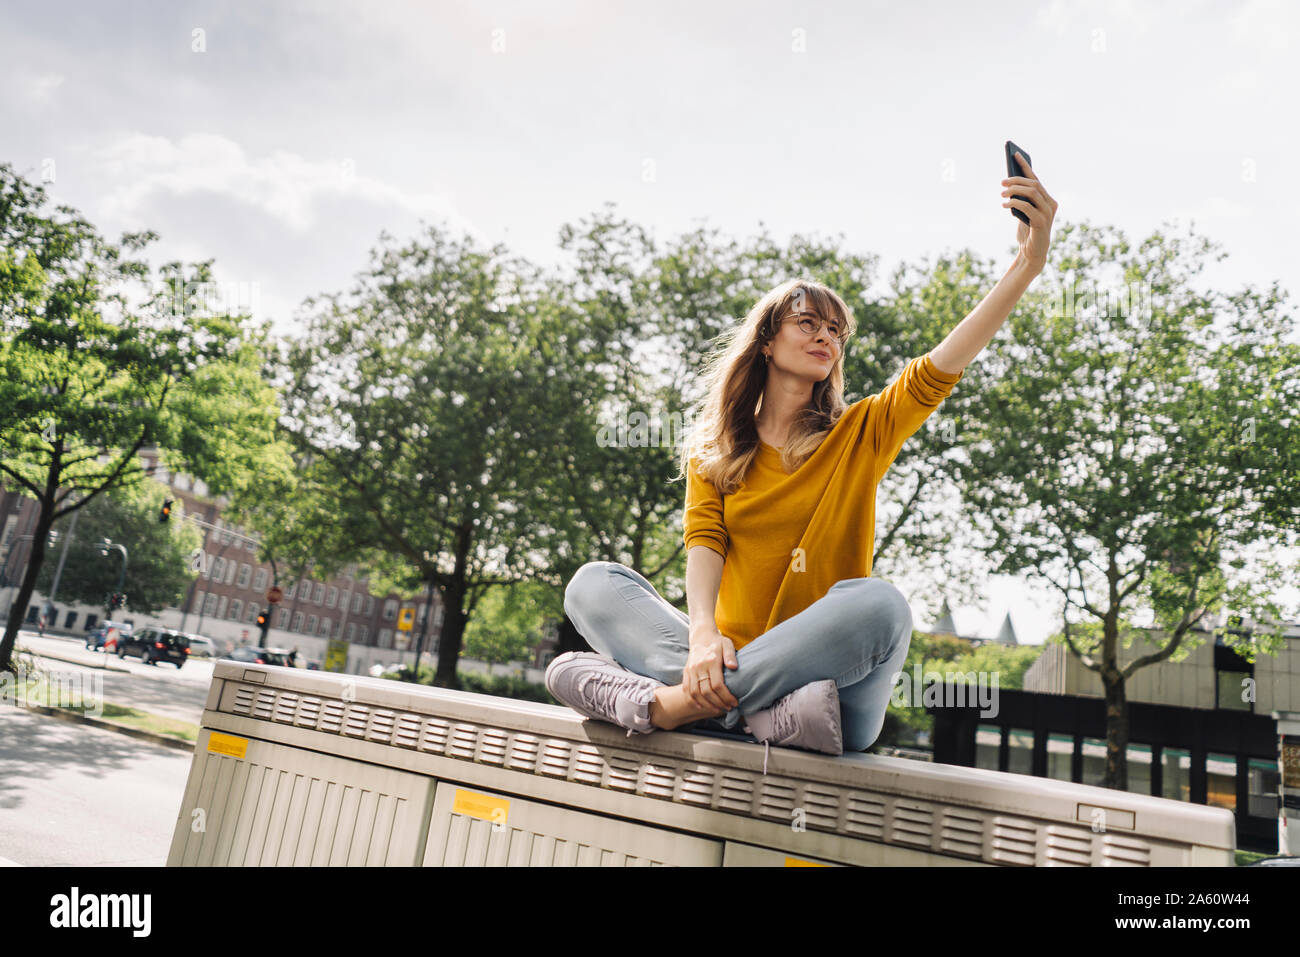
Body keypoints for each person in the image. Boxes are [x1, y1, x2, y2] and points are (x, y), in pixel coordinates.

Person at [548, 160, 1057, 774]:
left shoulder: (862, 431)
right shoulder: (715, 451)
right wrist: (704, 636)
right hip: (732, 660)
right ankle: (751, 712)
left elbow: (938, 370)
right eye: (809, 323)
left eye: (837, 332)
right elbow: (704, 541)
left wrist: (1027, 264)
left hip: (832, 691)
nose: (827, 338)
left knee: (882, 606)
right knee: (593, 584)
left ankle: (669, 705)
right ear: (766, 341)